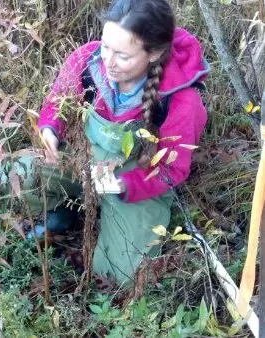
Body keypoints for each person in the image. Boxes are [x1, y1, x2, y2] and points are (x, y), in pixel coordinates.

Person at [35, 0, 210, 285]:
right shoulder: (87, 60)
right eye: (105, 46)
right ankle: (65, 212)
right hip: (86, 161)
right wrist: (51, 129)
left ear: (154, 53)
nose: (108, 61)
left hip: (136, 182)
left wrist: (123, 185)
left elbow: (171, 169)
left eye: (123, 56)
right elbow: (58, 100)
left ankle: (112, 216)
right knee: (19, 171)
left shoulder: (182, 101)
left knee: (123, 275)